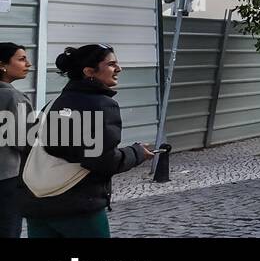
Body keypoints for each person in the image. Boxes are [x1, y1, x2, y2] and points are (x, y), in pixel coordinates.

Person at [18, 44, 153, 238]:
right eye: (112, 64)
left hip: (38, 205)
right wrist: (137, 153)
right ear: (89, 71)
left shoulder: (55, 103)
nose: (119, 69)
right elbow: (103, 161)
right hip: (78, 207)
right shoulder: (101, 105)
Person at [0, 42, 32, 238]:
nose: (27, 64)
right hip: (7, 178)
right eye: (21, 59)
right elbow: (24, 141)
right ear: (2, 64)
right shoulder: (14, 97)